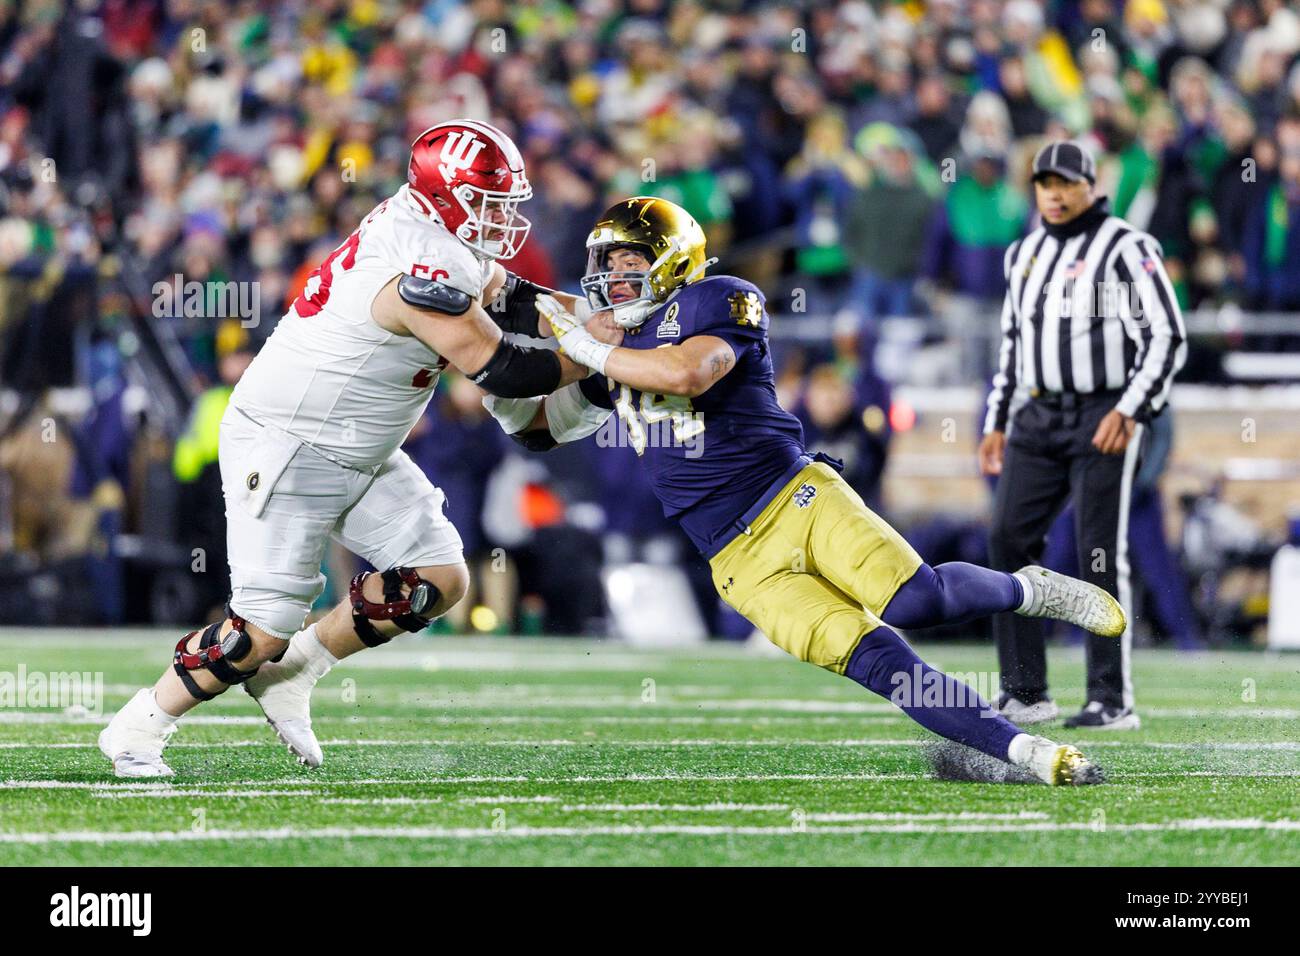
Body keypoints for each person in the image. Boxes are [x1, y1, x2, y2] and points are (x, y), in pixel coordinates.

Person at [485, 196, 1127, 786]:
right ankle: (1032, 756)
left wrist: (584, 348)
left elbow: (685, 372)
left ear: (674, 261)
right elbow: (542, 429)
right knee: (886, 669)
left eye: (632, 261)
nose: (614, 277)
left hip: (796, 498)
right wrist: (495, 383)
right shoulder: (615, 353)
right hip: (736, 563)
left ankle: (1030, 589)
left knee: (914, 603)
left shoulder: (717, 299)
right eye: (608, 263)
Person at [98, 120, 591, 777]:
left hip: (355, 445)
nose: (503, 219)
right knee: (256, 634)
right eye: (488, 203)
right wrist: (602, 351)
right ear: (446, 197)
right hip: (289, 441)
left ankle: (294, 674)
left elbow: (513, 302)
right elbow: (507, 370)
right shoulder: (422, 260)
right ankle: (138, 727)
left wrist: (594, 315)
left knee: (438, 579)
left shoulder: (440, 236)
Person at [979, 140, 1187, 729]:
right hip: (1038, 414)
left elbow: (1166, 336)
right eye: (1044, 182)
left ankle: (1110, 696)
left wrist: (1131, 408)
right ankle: (1024, 691)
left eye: (1065, 182)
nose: (1054, 192)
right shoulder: (1022, 253)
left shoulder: (1126, 247)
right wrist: (997, 419)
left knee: (1098, 549)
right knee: (1006, 540)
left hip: (1102, 412)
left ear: (1091, 186)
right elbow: (1013, 345)